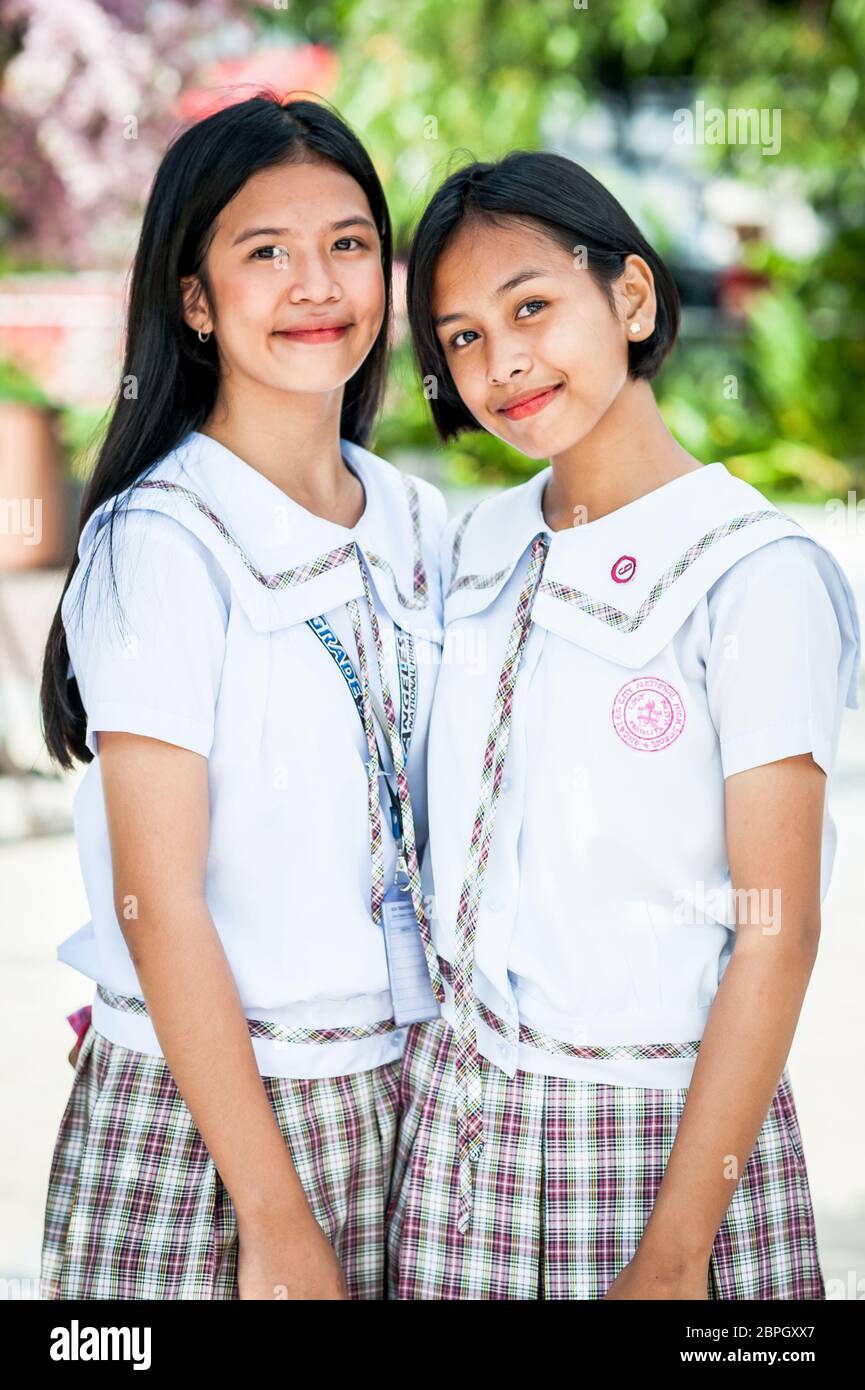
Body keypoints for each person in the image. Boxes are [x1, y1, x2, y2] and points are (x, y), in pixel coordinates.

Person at [387, 150, 861, 1299]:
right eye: (458, 337)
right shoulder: (472, 547)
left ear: (632, 297)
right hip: (450, 1132)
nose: (501, 363)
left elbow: (776, 934)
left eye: (531, 307)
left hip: (657, 1145)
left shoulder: (752, 575)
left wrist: (674, 1252)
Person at [38, 93, 447, 1301]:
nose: (316, 283)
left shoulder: (417, 518)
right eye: (264, 252)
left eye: (349, 242)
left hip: (401, 1097)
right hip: (218, 1122)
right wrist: (271, 1216)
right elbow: (158, 903)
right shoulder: (162, 538)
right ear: (196, 298)